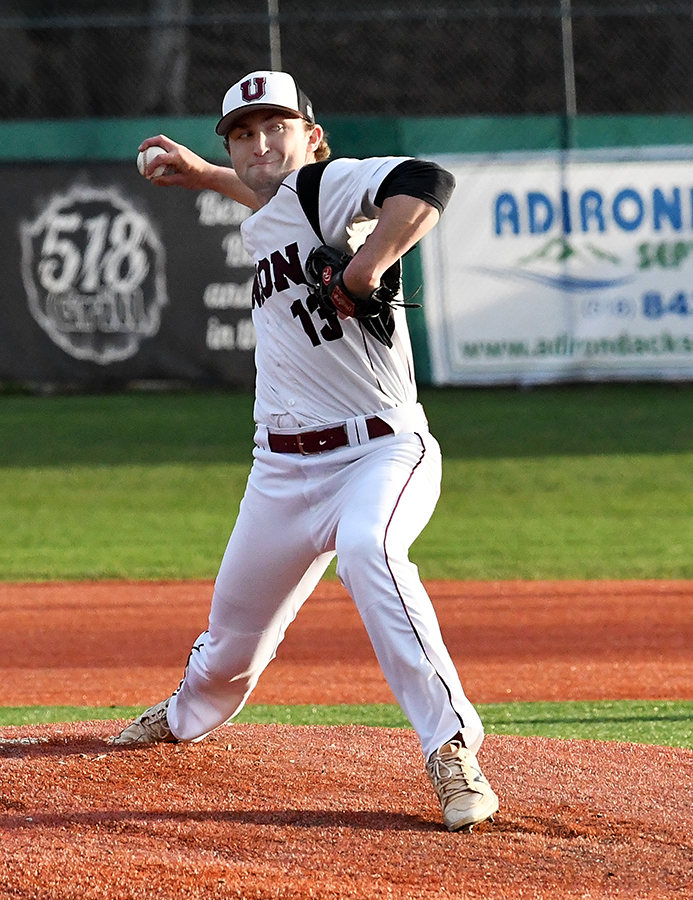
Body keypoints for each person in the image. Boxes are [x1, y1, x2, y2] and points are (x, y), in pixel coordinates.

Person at [110, 71, 500, 832]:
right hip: (281, 471)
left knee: (369, 550)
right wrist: (199, 173)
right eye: (243, 133)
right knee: (226, 651)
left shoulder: (329, 184)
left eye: (276, 128)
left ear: (312, 137)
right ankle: (186, 714)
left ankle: (452, 748)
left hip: (378, 453)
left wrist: (364, 268)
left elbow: (427, 181)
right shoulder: (280, 202)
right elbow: (267, 195)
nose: (261, 144)